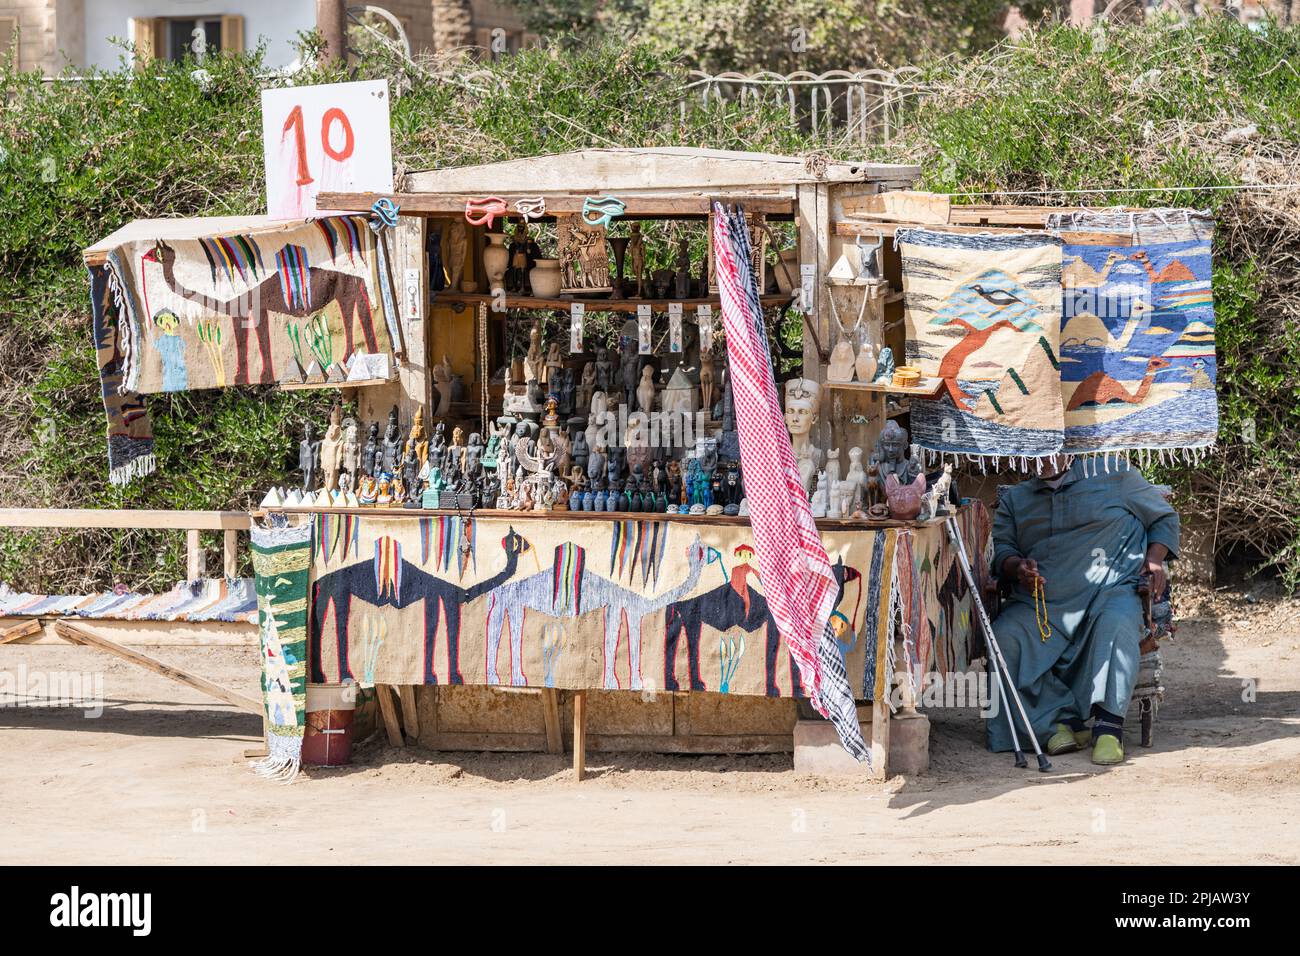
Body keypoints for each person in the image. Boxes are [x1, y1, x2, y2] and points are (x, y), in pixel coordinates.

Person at [989, 455, 1179, 765]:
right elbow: (1004, 552)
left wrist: (1155, 559)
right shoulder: (1016, 499)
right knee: (1004, 637)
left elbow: (1163, 518)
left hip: (1108, 591)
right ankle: (1055, 724)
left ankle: (1108, 728)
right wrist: (1018, 568)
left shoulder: (1115, 474)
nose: (1042, 459)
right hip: (1043, 601)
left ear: (1071, 447)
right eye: (1034, 450)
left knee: (1116, 622)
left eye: (1051, 448)